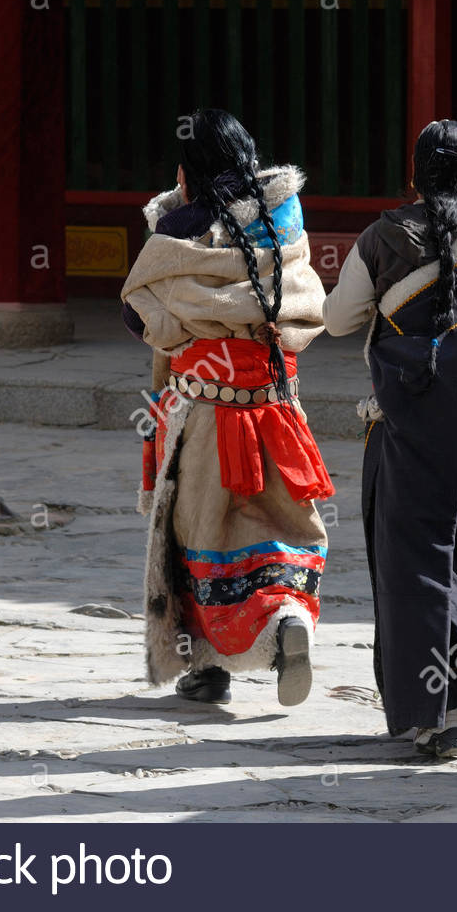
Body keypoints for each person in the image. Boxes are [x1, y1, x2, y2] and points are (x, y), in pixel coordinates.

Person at [322, 120, 457, 757]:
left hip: (405, 432)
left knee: (412, 571)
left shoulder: (380, 239)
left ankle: (428, 714)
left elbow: (336, 321)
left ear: (413, 176)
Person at [121, 109, 334, 707]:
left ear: (187, 174)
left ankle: (204, 668)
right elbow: (308, 313)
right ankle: (287, 616)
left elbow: (142, 318)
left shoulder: (175, 236)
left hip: (205, 415)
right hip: (279, 412)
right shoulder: (286, 223)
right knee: (282, 528)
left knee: (199, 537)